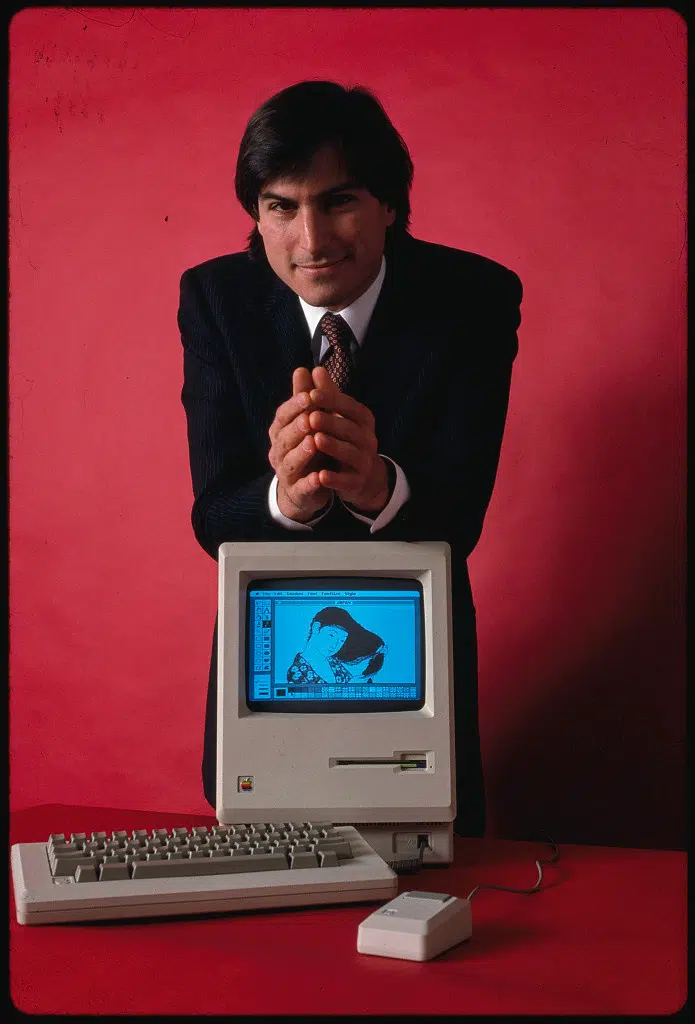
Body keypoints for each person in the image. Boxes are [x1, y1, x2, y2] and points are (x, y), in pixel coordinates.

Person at [178, 80, 522, 837]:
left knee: (429, 870)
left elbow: (460, 521)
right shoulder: (215, 299)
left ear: (389, 204)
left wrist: (377, 485)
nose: (311, 240)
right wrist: (285, 498)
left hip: (419, 659)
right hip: (266, 658)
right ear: (256, 214)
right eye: (281, 206)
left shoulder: (474, 297)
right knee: (265, 883)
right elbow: (214, 519)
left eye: (338, 202)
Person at [287, 606, 387, 688]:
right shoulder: (296, 672)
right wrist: (349, 688)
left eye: (342, 640)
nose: (335, 645)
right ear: (316, 628)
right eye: (331, 635)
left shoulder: (333, 661)